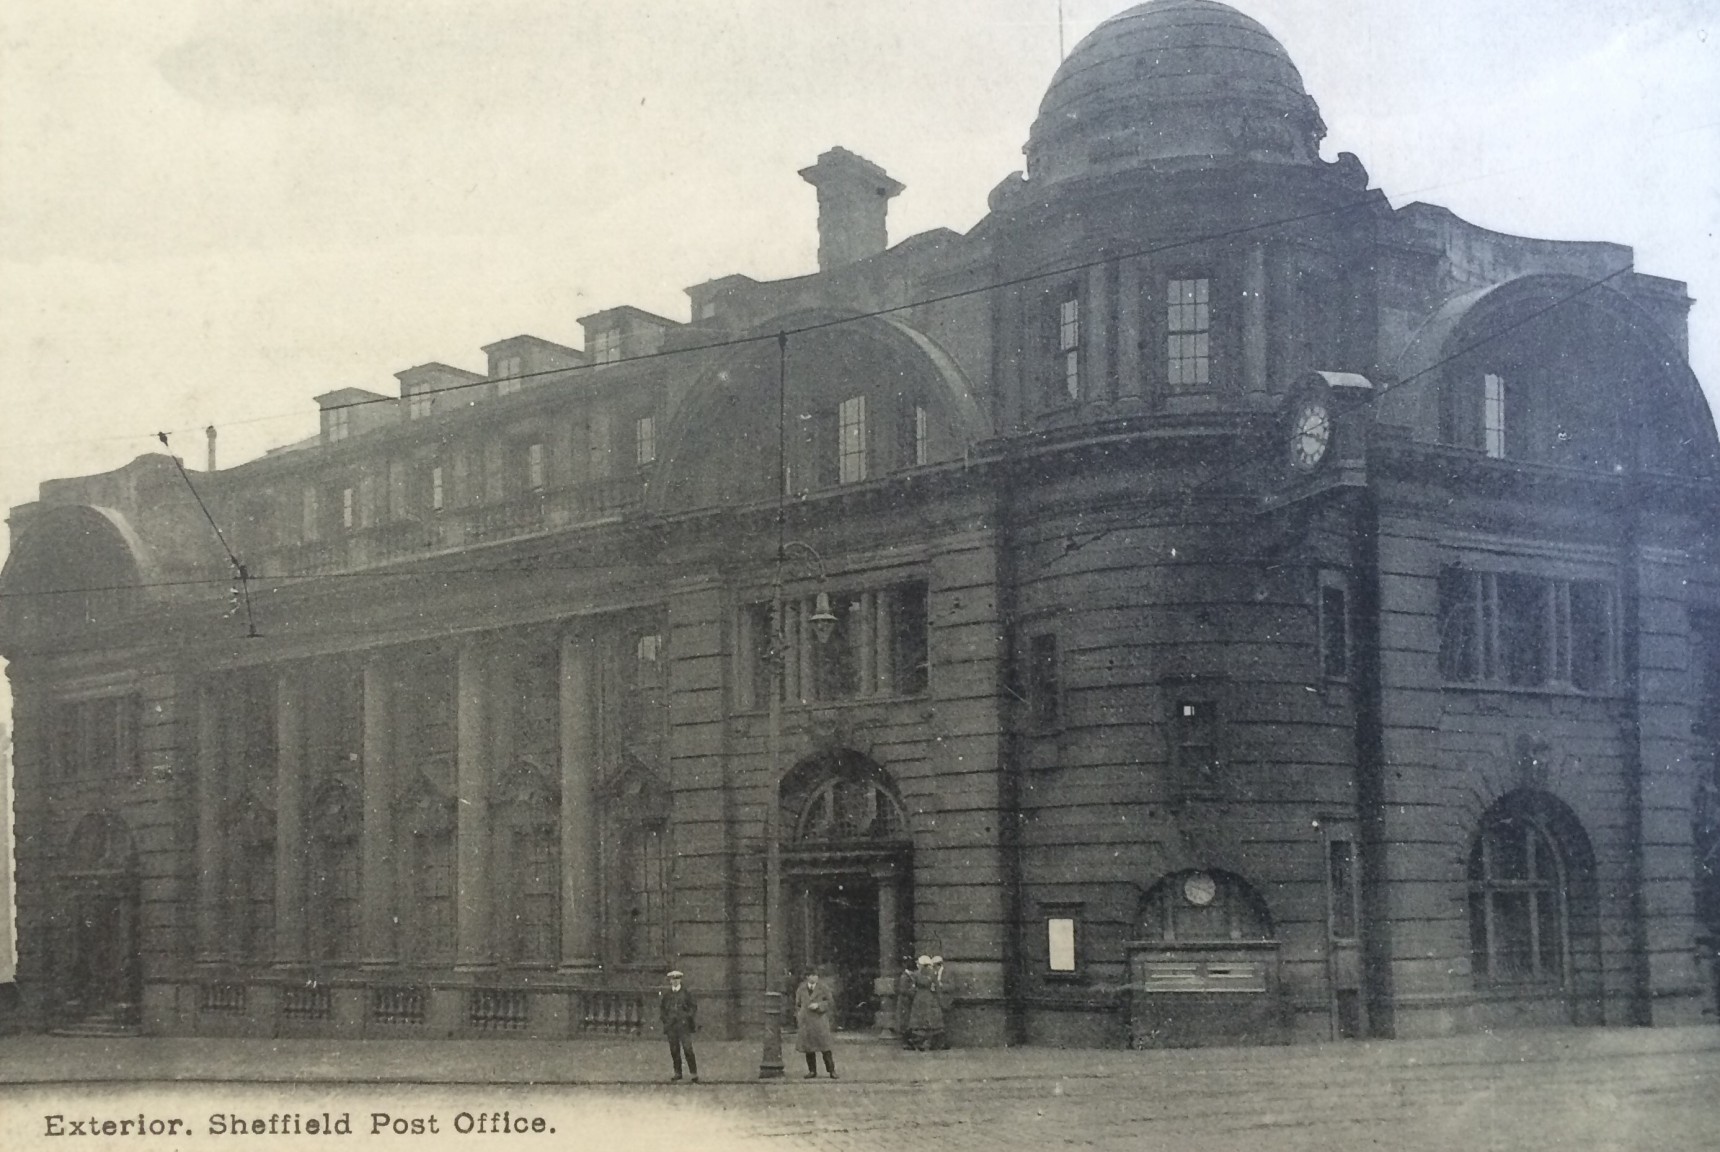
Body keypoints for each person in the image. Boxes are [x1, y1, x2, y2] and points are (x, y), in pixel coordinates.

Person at [794, 969, 837, 1078]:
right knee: (809, 1048)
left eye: (816, 975)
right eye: (812, 975)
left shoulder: (823, 988)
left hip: (819, 1020)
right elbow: (797, 1003)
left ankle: (831, 1070)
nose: (814, 978)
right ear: (807, 977)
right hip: (806, 1021)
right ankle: (812, 1071)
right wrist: (800, 1015)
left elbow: (830, 1002)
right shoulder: (801, 988)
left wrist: (819, 1005)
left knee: (825, 1047)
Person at [659, 969, 698, 1082]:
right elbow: (662, 1009)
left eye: (677, 979)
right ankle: (678, 1073)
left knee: (688, 1049)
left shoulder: (686, 993)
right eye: (673, 979)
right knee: (674, 1050)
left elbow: (693, 1007)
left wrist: (687, 1017)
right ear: (670, 981)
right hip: (671, 1026)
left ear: (680, 980)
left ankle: (693, 1073)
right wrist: (666, 1020)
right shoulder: (667, 995)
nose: (675, 981)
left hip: (683, 1026)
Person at [905, 954, 945, 1051]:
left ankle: (919, 1041)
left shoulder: (916, 974)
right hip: (930, 997)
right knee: (931, 1020)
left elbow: (912, 987)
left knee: (919, 1020)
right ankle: (930, 1042)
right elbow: (937, 987)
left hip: (919, 997)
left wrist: (912, 994)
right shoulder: (933, 974)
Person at [894, 958, 917, 1049]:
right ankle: (905, 1042)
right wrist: (912, 992)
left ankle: (908, 1041)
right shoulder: (905, 977)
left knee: (907, 1021)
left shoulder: (909, 976)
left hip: (907, 1001)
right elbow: (903, 990)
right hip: (905, 1002)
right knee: (904, 1021)